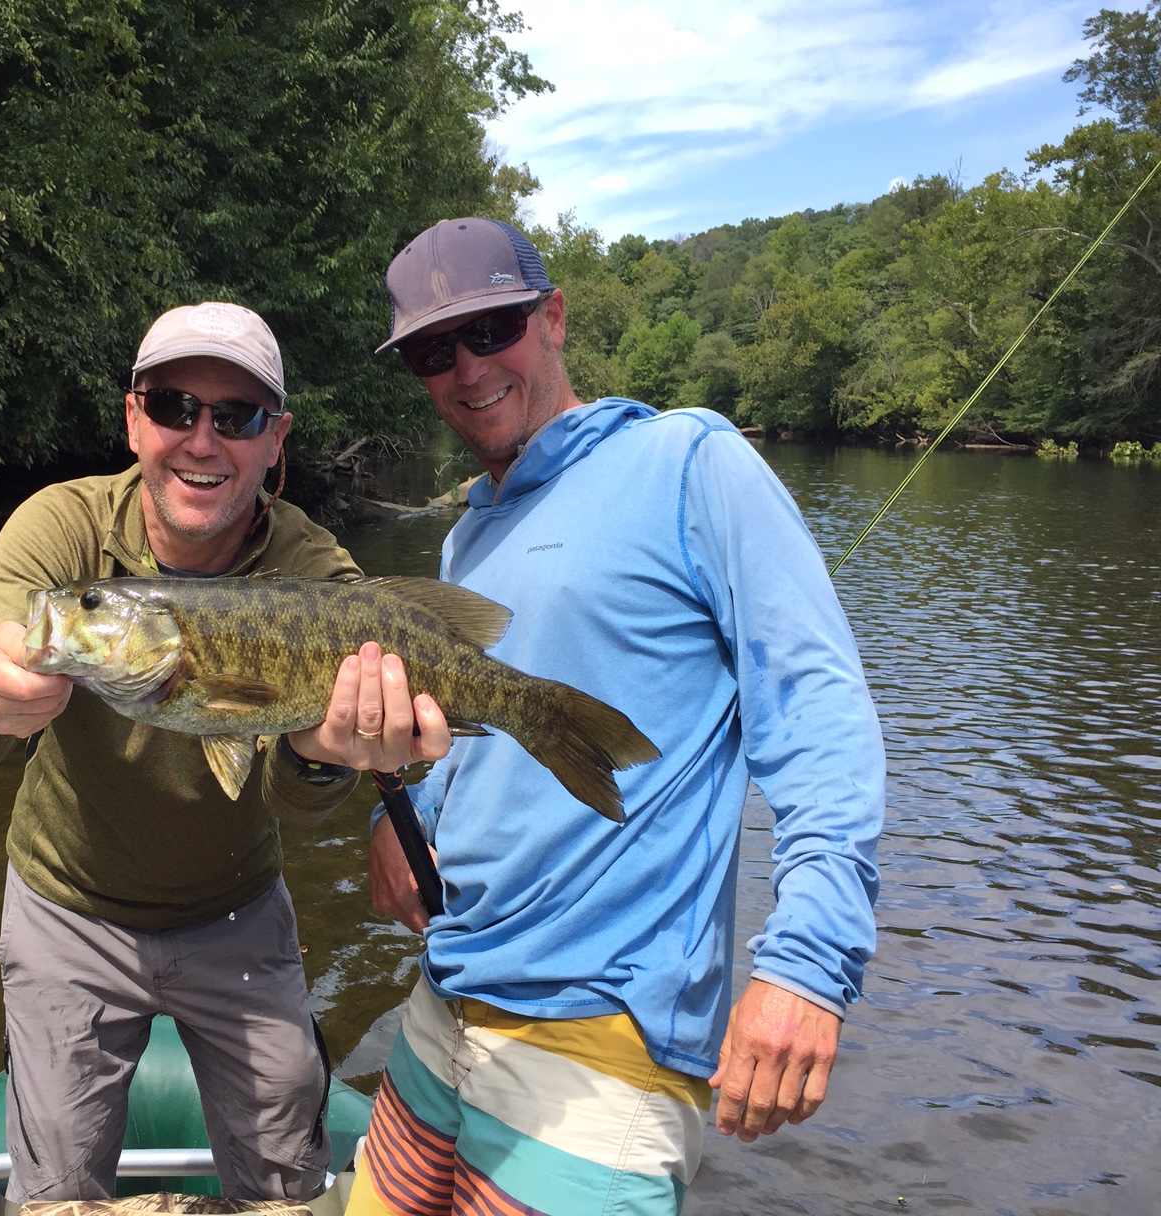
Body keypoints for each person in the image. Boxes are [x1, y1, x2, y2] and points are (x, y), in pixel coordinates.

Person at [300, 219, 885, 1216]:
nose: (468, 369)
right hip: (447, 1002)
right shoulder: (469, 537)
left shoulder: (690, 461)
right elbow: (474, 741)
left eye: (491, 330)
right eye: (434, 352)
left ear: (555, 317)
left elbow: (819, 713)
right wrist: (407, 814)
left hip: (601, 1044)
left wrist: (806, 965)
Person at [0, 302, 380, 1205]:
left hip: (239, 911)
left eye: (237, 417)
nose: (202, 440)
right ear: (134, 419)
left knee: (287, 1183)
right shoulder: (60, 532)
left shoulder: (313, 570)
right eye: (175, 406)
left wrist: (326, 755)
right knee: (57, 1187)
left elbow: (297, 803)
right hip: (68, 914)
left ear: (275, 439)